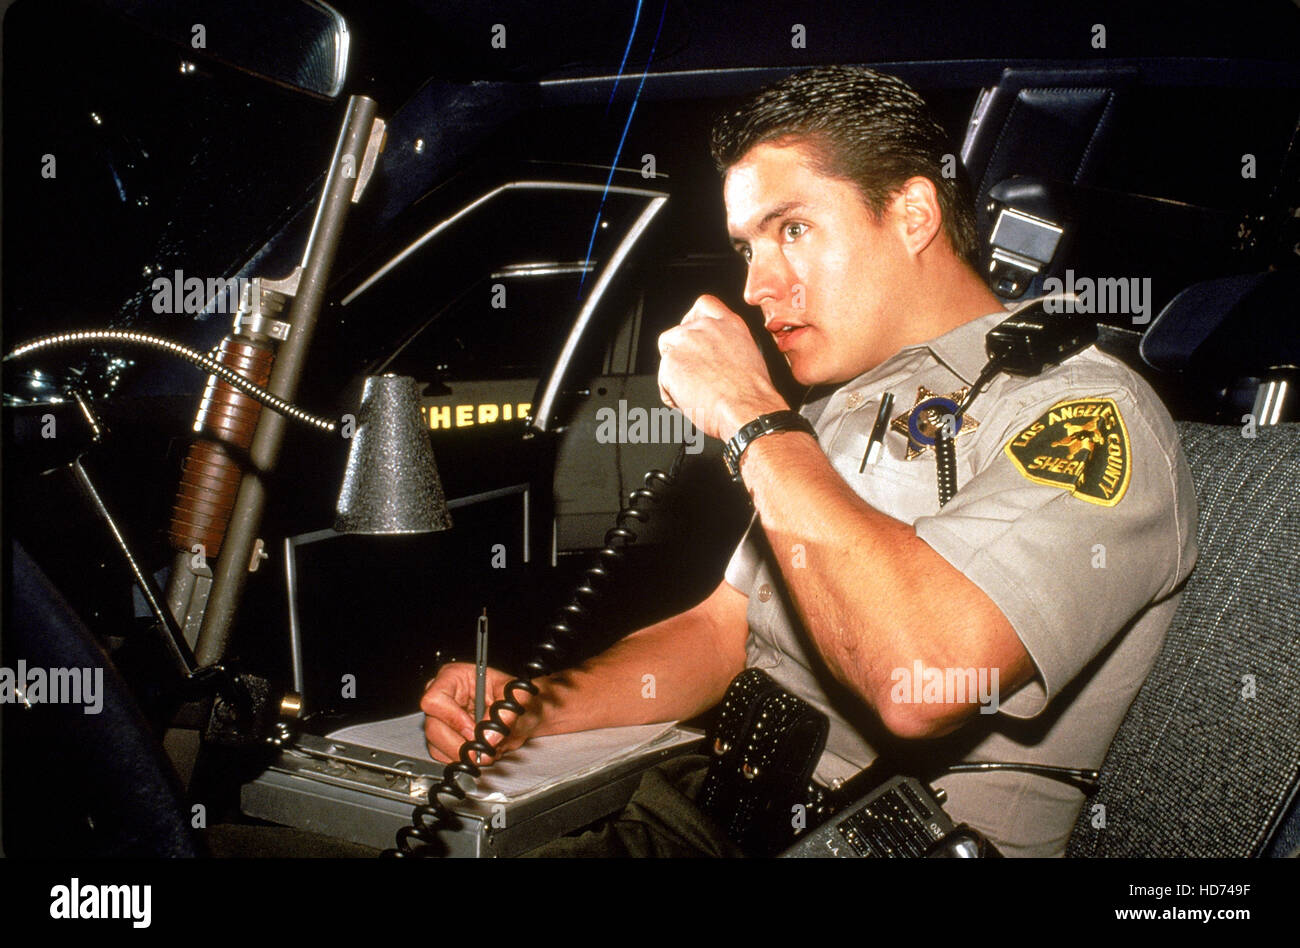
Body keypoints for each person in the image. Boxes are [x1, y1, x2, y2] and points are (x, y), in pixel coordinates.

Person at [420, 65, 1197, 857]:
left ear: (914, 213)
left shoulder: (1087, 416)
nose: (757, 287)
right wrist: (535, 706)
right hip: (718, 809)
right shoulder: (840, 410)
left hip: (889, 839)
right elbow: (726, 632)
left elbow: (920, 683)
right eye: (747, 248)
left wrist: (753, 420)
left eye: (792, 229)